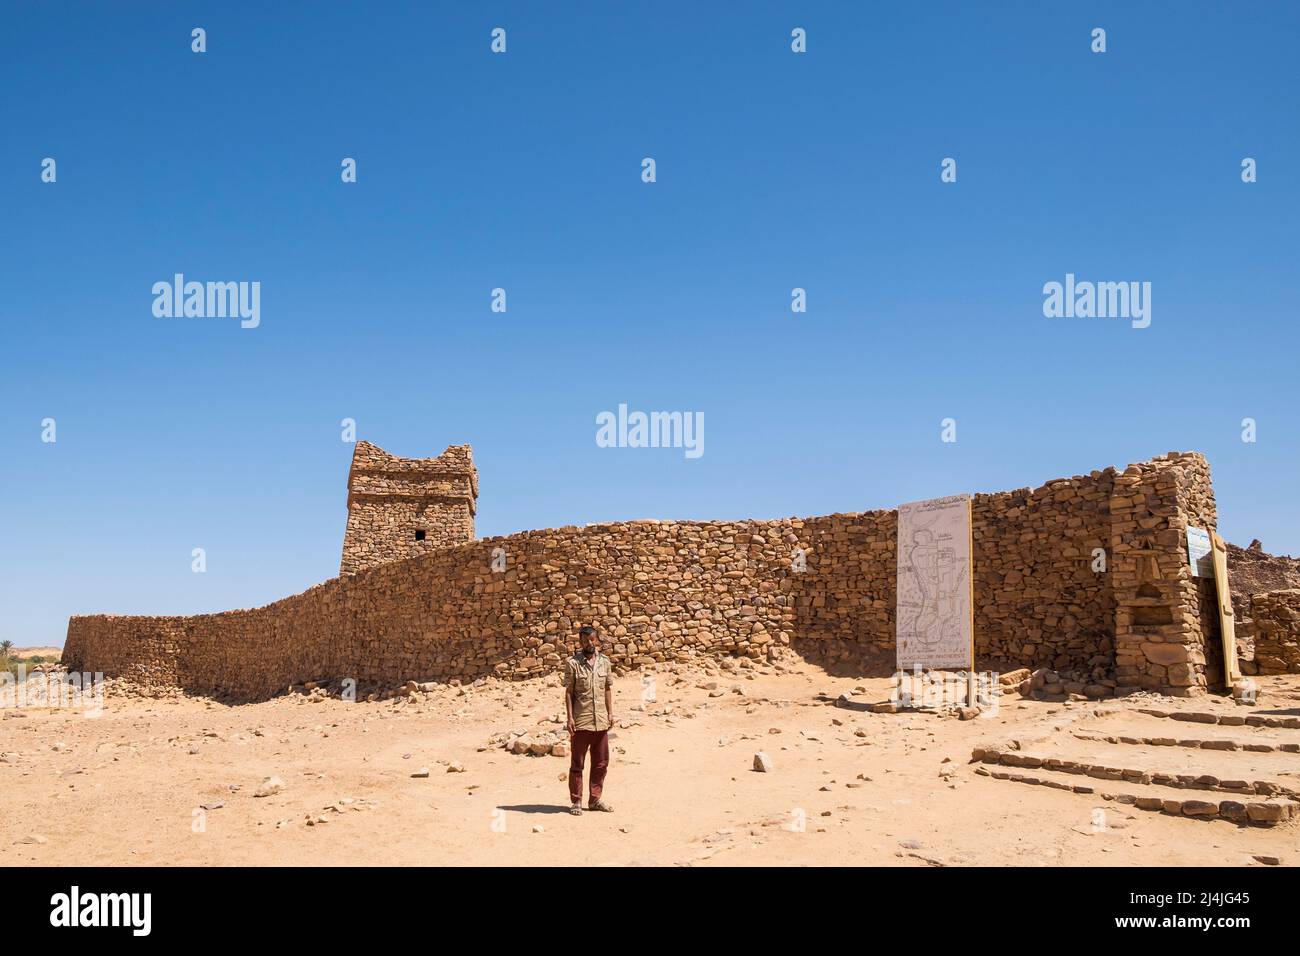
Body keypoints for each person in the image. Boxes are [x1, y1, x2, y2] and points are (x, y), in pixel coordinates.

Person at [563, 625, 614, 815]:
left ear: (597, 640)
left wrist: (610, 713)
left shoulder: (605, 662)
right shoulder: (573, 663)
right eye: (585, 640)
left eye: (592, 639)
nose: (589, 643)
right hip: (581, 720)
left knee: (601, 763)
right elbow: (569, 692)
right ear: (580, 642)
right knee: (578, 764)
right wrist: (570, 718)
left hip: (600, 720)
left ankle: (595, 800)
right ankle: (576, 801)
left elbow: (607, 688)